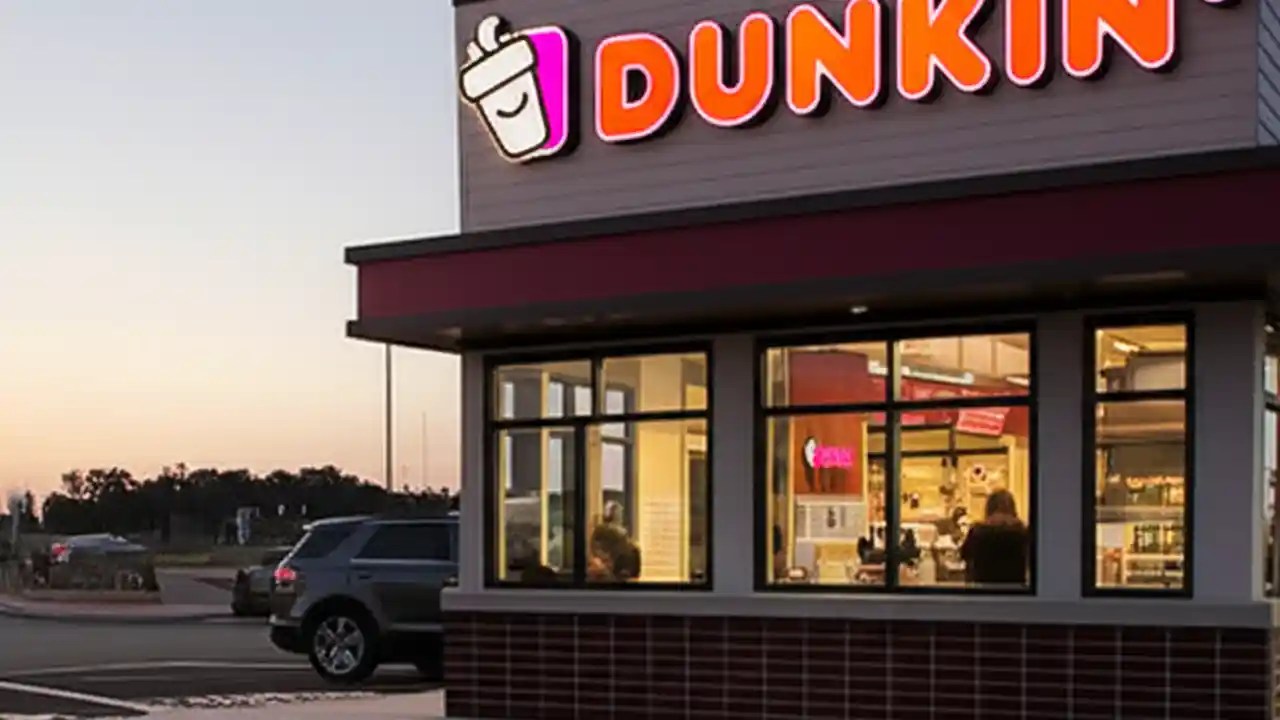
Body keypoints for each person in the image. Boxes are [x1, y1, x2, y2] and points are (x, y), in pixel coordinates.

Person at [960, 489, 1029, 586]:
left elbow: (964, 555)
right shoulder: (1022, 531)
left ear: (989, 508)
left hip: (984, 588)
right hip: (1015, 589)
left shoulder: (977, 531)